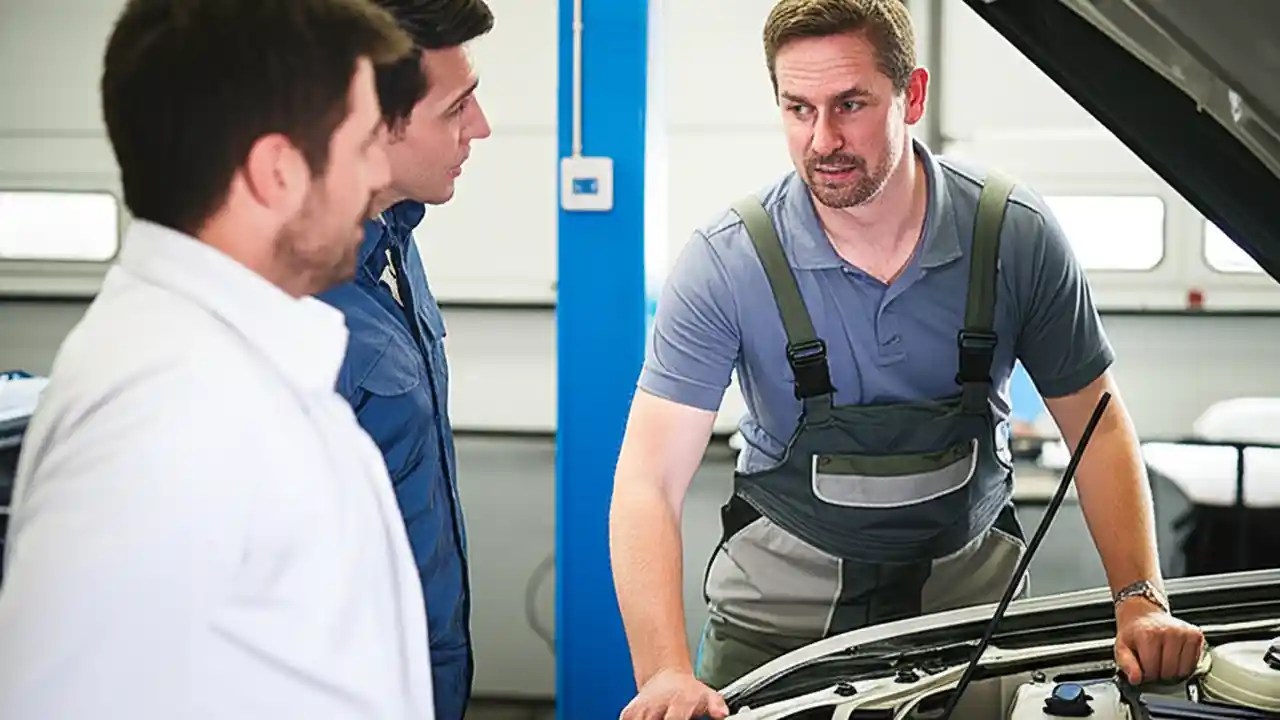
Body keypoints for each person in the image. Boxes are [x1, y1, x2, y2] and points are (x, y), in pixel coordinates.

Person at [608, 1, 1207, 717]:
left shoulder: (1013, 238)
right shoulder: (726, 263)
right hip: (776, 633)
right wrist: (664, 673)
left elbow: (1099, 427)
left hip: (971, 623)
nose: (822, 139)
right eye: (798, 108)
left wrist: (1140, 600)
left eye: (850, 104)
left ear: (911, 95)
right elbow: (648, 480)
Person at [0, 1, 436, 717]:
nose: (375, 178)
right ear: (277, 172)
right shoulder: (164, 415)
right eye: (363, 145)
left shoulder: (234, 364)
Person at [314, 1, 494, 717]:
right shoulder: (291, 308)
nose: (480, 126)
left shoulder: (394, 246)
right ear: (370, 123)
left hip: (427, 675)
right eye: (456, 108)